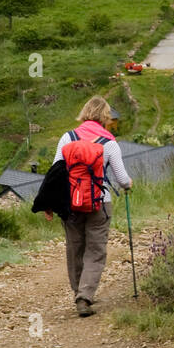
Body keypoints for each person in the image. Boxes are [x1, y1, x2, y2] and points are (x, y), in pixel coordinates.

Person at [46, 96, 132, 317]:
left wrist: (49, 201)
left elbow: (55, 171)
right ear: (105, 117)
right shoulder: (110, 143)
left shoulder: (68, 138)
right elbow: (122, 179)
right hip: (99, 204)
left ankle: (78, 293)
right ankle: (85, 295)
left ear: (84, 113)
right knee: (95, 250)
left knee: (75, 248)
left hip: (70, 203)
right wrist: (128, 184)